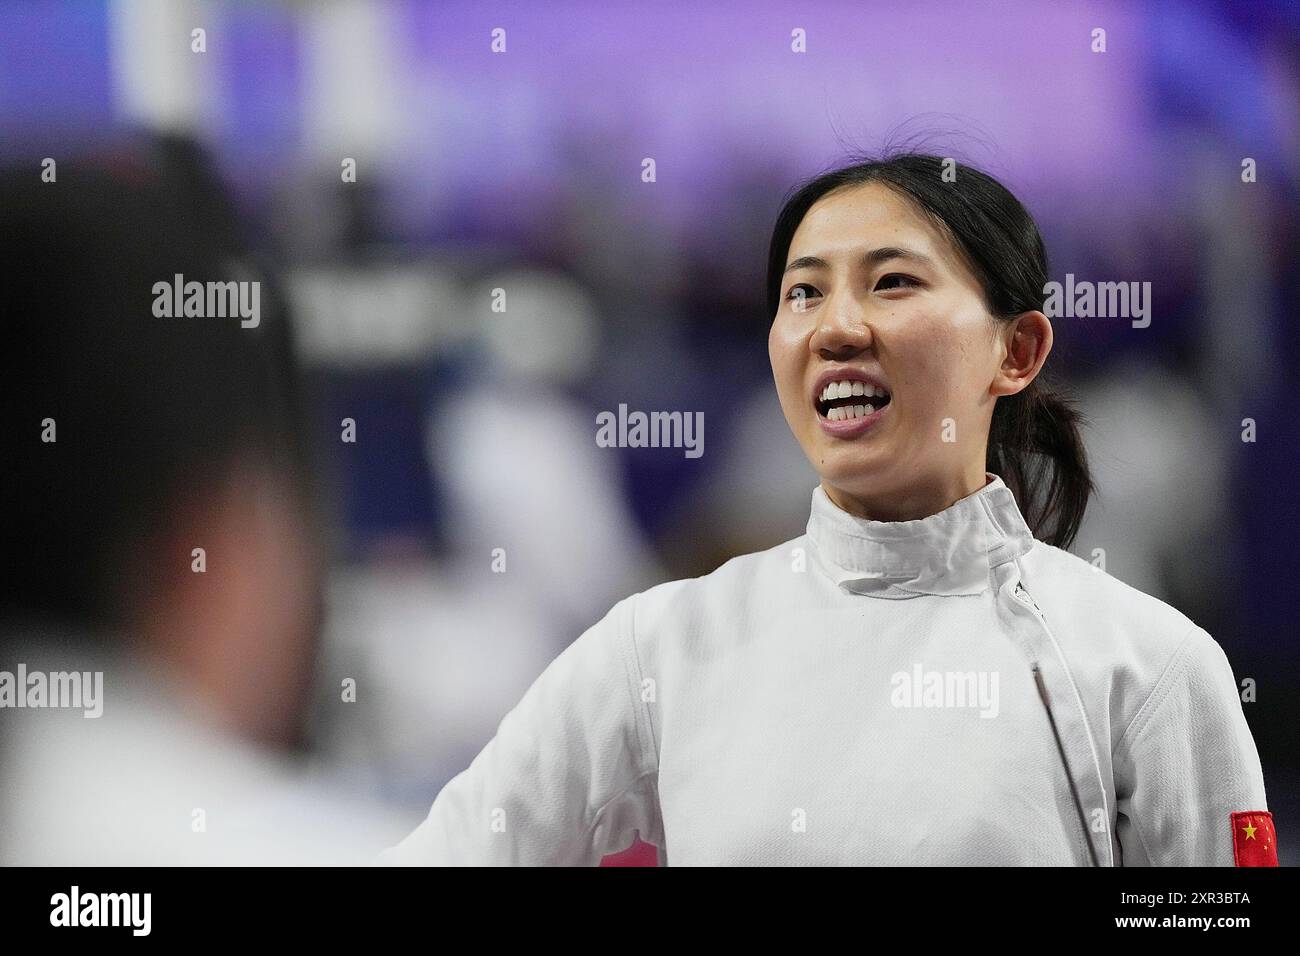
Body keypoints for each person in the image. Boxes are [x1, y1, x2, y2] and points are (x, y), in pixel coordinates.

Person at [378, 153, 1275, 866]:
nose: (836, 327)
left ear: (1017, 349)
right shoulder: (661, 647)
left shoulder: (1148, 669)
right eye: (803, 292)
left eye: (891, 283)